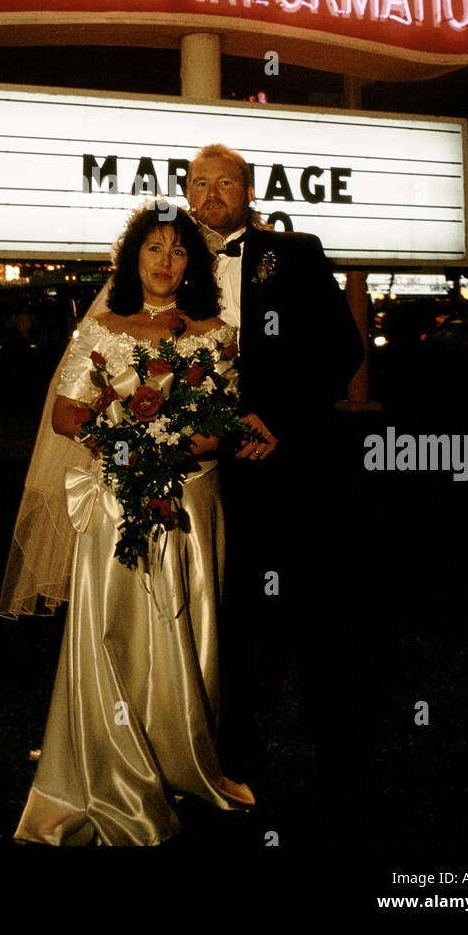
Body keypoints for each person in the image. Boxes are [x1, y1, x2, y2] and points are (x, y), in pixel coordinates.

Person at [10, 201, 270, 846]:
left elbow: (219, 425)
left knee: (187, 621)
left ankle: (181, 755)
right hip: (118, 498)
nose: (165, 261)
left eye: (178, 251)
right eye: (153, 249)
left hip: (191, 500)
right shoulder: (102, 328)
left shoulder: (213, 335)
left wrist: (185, 447)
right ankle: (104, 759)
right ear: (133, 258)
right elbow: (67, 415)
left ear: (192, 264)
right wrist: (128, 452)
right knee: (113, 626)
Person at [185, 144, 366, 827]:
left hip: (291, 473)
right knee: (225, 627)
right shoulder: (169, 262)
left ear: (247, 189)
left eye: (223, 182)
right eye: (198, 183)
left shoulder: (293, 253)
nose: (210, 193)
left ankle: (342, 777)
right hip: (206, 474)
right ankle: (229, 763)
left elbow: (340, 349)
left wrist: (280, 419)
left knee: (319, 623)